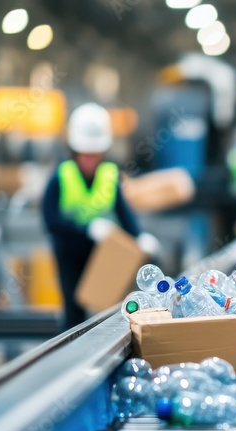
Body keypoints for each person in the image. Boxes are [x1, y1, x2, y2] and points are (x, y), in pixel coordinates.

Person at [42, 102, 160, 330]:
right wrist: (84, 229)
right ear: (75, 151)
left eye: (95, 155)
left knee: (101, 306)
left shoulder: (109, 174)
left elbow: (122, 211)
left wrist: (139, 236)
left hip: (97, 251)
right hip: (67, 251)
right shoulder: (62, 175)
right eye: (86, 155)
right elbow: (50, 220)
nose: (90, 161)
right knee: (73, 311)